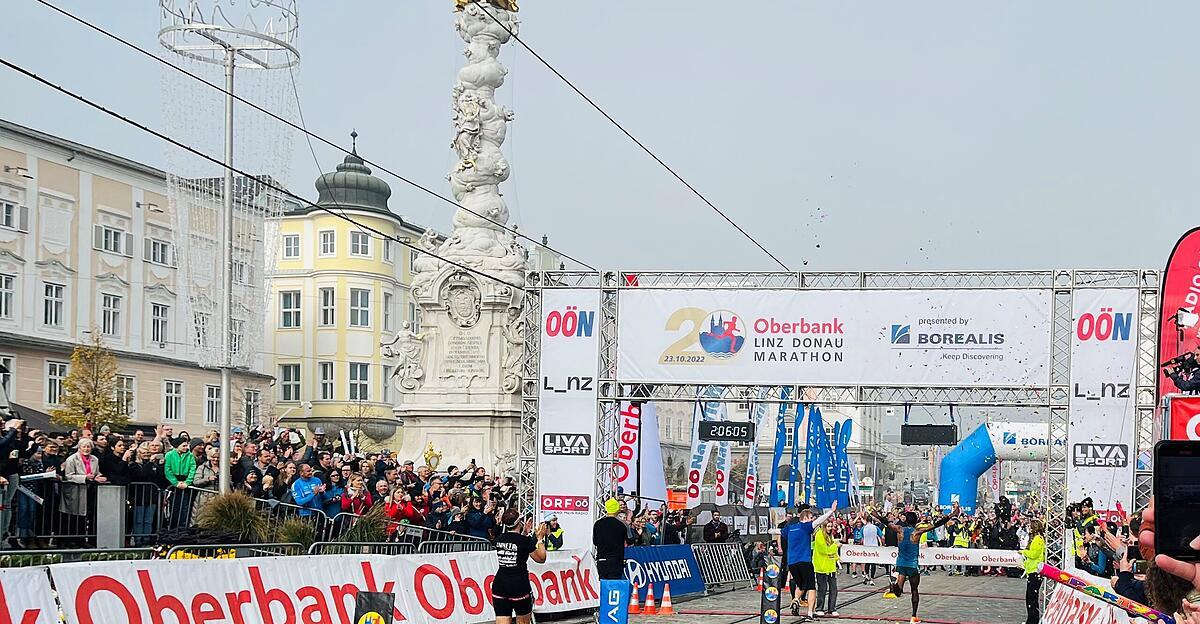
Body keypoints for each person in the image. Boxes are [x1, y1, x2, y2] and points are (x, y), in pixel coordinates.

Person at [871, 504, 960, 624]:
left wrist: (876, 515)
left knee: (898, 593)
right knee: (914, 590)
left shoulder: (899, 529)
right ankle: (913, 616)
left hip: (901, 564)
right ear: (916, 521)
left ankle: (894, 584)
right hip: (912, 565)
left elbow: (887, 522)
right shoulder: (917, 532)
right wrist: (952, 515)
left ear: (906, 520)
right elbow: (937, 524)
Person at [490, 510, 548, 624]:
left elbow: (513, 543)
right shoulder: (524, 541)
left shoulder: (500, 538)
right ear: (519, 522)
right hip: (519, 586)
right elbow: (541, 558)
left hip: (500, 585)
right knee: (523, 621)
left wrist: (525, 533)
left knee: (502, 620)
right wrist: (540, 538)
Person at [786, 501, 838, 620]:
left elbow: (778, 532)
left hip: (792, 563)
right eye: (810, 517)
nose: (812, 519)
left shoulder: (790, 528)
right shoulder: (806, 526)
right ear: (805, 518)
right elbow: (819, 521)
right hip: (805, 561)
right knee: (811, 588)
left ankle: (795, 600)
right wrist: (831, 511)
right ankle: (810, 612)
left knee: (801, 585)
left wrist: (770, 531)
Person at [593, 498, 627, 580]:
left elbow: (595, 542)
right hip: (616, 561)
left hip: (602, 560)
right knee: (614, 587)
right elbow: (628, 541)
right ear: (617, 509)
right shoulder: (622, 525)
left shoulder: (598, 524)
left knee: (602, 586)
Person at [1020, 519, 1045, 624]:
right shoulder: (1035, 539)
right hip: (1032, 571)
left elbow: (1034, 554)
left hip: (1036, 572)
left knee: (1032, 598)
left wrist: (1023, 551)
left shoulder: (1038, 539)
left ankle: (1033, 620)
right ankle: (1031, 619)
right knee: (1031, 597)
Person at [813, 524, 841, 617]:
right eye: (828, 526)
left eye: (831, 526)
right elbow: (824, 550)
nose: (830, 528)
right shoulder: (819, 535)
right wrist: (836, 546)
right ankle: (819, 608)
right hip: (821, 567)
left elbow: (832, 550)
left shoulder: (830, 535)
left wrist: (837, 558)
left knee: (834, 589)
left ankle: (832, 608)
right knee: (822, 589)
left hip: (831, 567)